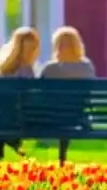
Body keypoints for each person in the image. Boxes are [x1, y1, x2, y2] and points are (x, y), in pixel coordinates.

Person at [38, 26, 96, 164]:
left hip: (53, 117)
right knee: (71, 109)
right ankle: (62, 155)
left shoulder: (50, 68)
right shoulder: (86, 67)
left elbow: (38, 91)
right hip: (76, 117)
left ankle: (62, 157)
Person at [0, 27, 40, 159]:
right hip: (19, 120)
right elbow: (32, 96)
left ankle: (2, 148)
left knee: (4, 108)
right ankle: (14, 141)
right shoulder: (26, 69)